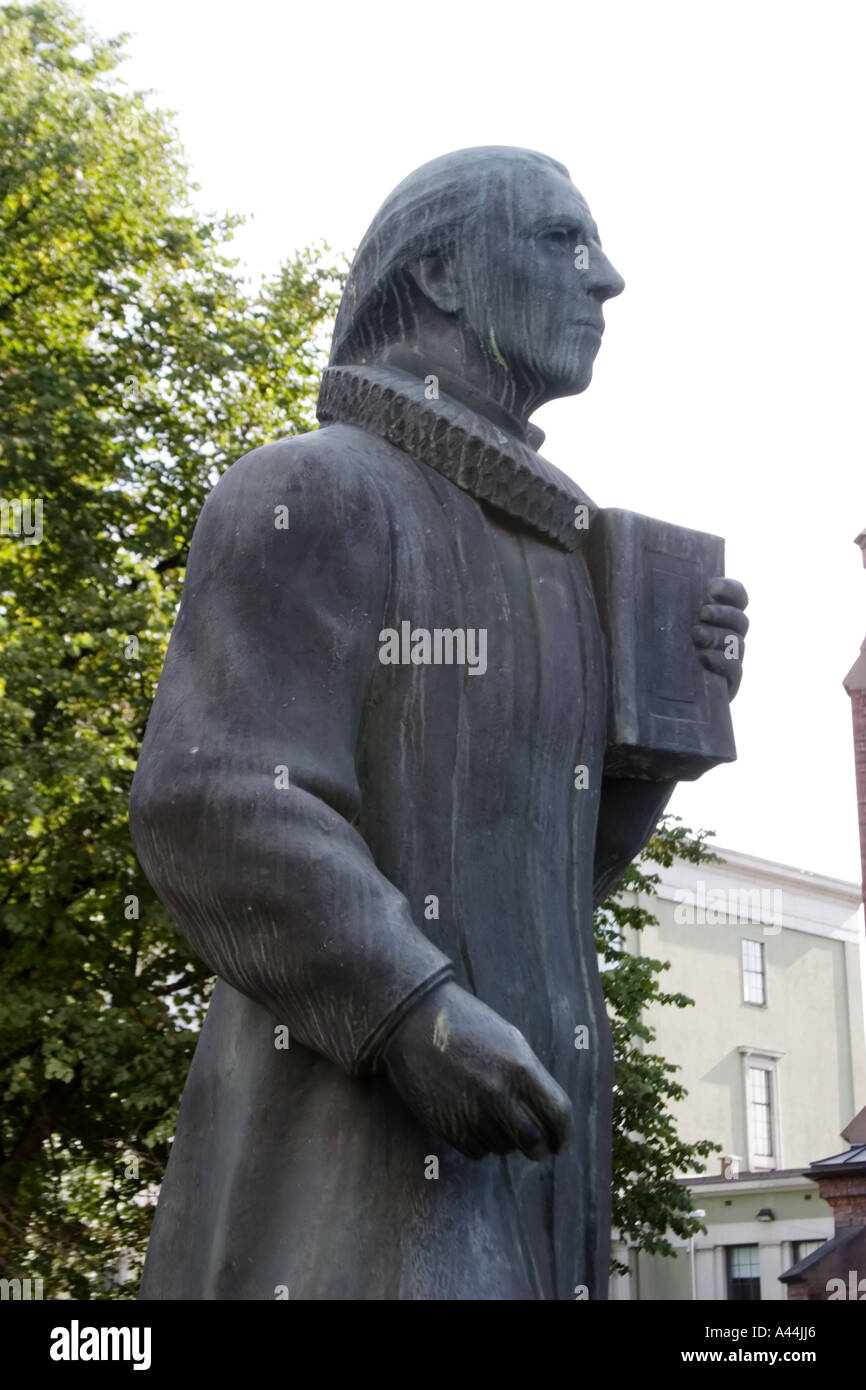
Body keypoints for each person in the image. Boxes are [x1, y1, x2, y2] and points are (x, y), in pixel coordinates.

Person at [131, 147, 748, 1300]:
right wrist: (413, 1012)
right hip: (357, 1142)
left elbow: (545, 872)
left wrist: (658, 737)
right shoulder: (313, 489)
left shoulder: (561, 569)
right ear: (443, 275)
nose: (604, 279)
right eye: (560, 241)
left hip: (529, 1148)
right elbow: (215, 800)